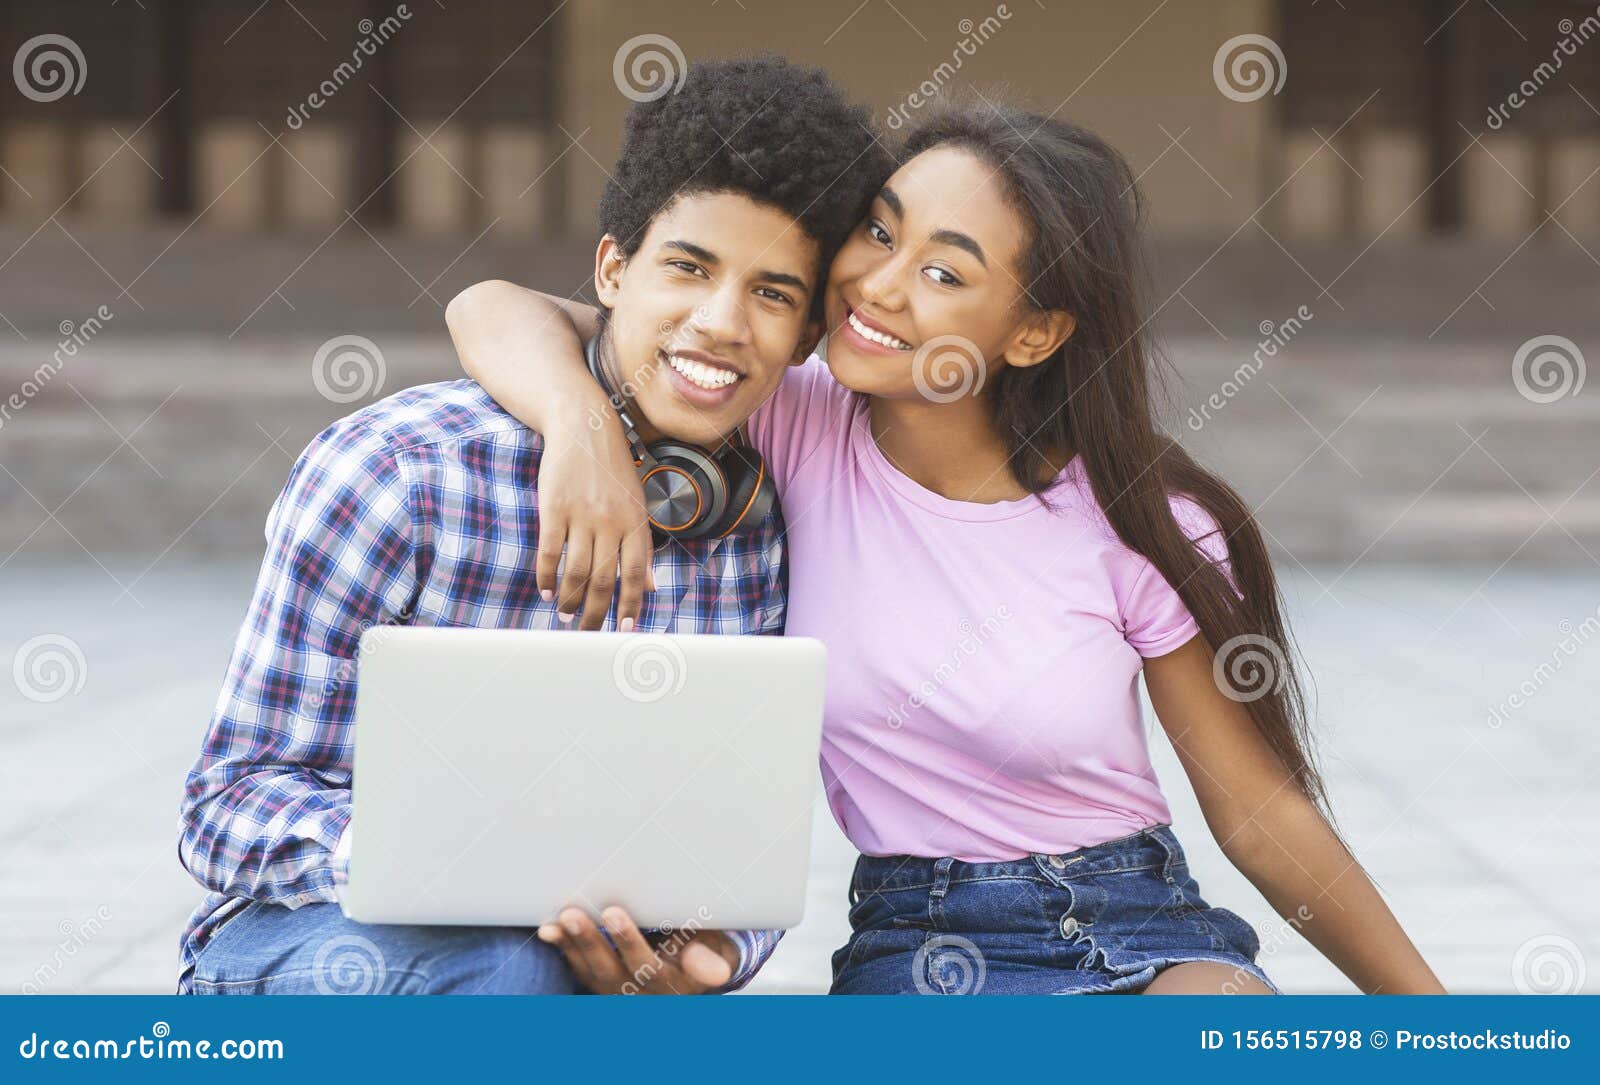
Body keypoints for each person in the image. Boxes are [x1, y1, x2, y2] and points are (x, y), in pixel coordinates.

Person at [445, 97, 1447, 994]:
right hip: (914, 942)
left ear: (1032, 333)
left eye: (940, 271)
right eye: (877, 232)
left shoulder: (1144, 520)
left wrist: (1438, 1028)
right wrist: (580, 425)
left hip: (1140, 922)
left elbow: (1260, 816)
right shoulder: (794, 415)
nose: (876, 285)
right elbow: (493, 307)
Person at [175, 56, 886, 995]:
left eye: (772, 292)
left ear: (803, 341)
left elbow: (732, 832)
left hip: (581, 975)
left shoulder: (766, 518)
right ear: (613, 268)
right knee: (511, 969)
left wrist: (712, 955)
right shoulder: (397, 473)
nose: (721, 322)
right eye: (688, 267)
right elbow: (226, 805)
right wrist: (432, 867)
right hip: (319, 941)